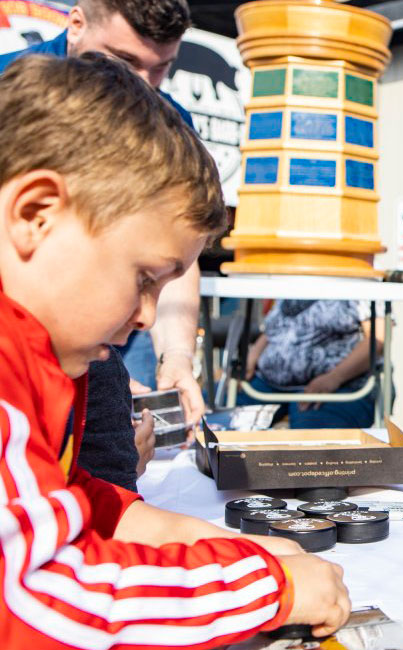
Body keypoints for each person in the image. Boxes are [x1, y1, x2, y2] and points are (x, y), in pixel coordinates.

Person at [0, 53, 349, 647]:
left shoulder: (37, 357)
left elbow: (66, 504)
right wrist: (266, 586)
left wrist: (214, 544)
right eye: (143, 278)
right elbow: (29, 596)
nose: (145, 316)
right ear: (35, 214)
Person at [0, 0, 205, 489]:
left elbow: (171, 257)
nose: (144, 84)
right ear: (75, 25)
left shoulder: (167, 118)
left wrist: (174, 355)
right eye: (125, 61)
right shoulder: (13, 88)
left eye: (161, 68)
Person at [239, 300, 383, 428]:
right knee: (224, 421)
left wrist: (335, 378)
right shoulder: (292, 277)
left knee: (309, 444)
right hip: (266, 384)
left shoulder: (358, 280)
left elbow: (377, 339)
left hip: (340, 387)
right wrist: (253, 356)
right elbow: (277, 327)